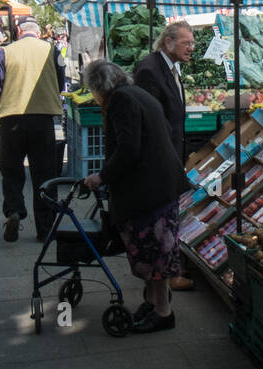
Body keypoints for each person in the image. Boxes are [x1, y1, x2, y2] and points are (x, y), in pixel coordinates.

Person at [81, 60, 191, 333]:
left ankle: (163, 313)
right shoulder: (136, 93)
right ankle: (154, 303)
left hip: (149, 190)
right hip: (157, 185)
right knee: (153, 252)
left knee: (154, 252)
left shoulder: (121, 100)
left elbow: (128, 149)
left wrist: (101, 176)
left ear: (99, 87)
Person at [0, 20, 65, 242]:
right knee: (45, 174)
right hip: (43, 119)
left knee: (11, 171)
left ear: (18, 31)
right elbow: (60, 81)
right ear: (38, 33)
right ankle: (45, 228)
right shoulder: (51, 51)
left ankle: (14, 211)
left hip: (11, 119)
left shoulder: (6, 52)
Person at [133, 21, 195, 290]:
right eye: (186, 43)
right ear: (168, 42)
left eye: (192, 43)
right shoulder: (149, 69)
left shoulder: (170, 67)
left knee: (170, 216)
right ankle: (165, 277)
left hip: (171, 154)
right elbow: (150, 120)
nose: (191, 48)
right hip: (160, 159)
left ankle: (166, 274)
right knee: (164, 220)